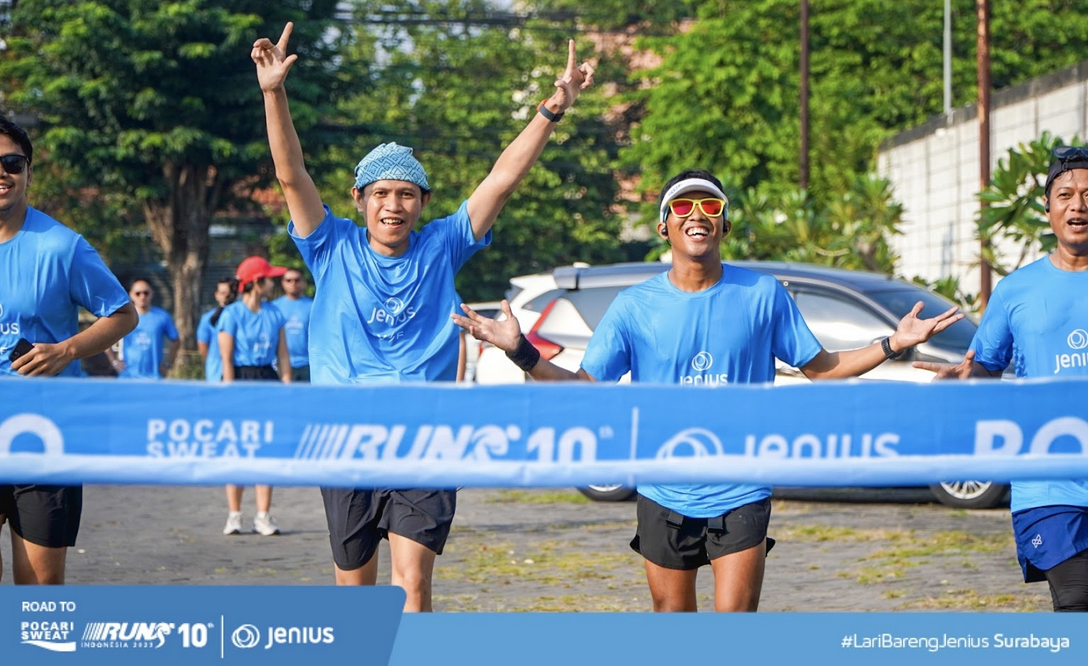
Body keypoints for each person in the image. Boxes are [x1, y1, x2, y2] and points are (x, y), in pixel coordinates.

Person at [454, 168, 963, 612]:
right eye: (682, 205)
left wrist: (893, 342)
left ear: (723, 223)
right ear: (664, 226)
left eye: (709, 205)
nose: (696, 213)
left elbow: (823, 368)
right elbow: (586, 390)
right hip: (662, 486)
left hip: (741, 483)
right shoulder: (634, 306)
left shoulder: (761, 295)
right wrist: (520, 350)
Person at [252, 22, 593, 611]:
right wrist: (274, 92)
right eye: (380, 193)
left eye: (406, 194)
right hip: (345, 438)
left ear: (423, 204)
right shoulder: (330, 246)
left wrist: (550, 112)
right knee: (353, 597)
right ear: (359, 201)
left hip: (426, 436)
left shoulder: (443, 244)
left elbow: (502, 180)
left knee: (412, 586)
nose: (393, 204)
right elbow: (291, 175)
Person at [916, 146, 1088, 612]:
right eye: (1066, 194)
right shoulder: (1016, 290)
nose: (1079, 205)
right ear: (1048, 208)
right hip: (1046, 478)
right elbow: (986, 367)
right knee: (1076, 598)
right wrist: (966, 377)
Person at [0, 117, 138, 584]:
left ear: (28, 171)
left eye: (11, 162)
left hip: (44, 432)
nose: (2, 172)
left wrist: (66, 350)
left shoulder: (62, 246)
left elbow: (123, 314)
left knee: (38, 590)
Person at [218, 256, 292, 536]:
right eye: (269, 278)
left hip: (267, 379)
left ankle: (263, 515)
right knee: (237, 447)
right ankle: (234, 515)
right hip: (240, 378)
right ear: (256, 283)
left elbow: (282, 354)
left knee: (266, 448)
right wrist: (230, 392)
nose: (273, 282)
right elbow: (226, 359)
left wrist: (286, 385)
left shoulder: (275, 313)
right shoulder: (231, 315)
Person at [107, 278, 179, 379]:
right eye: (138, 293)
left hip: (154, 377)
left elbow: (175, 340)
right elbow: (105, 338)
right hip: (128, 377)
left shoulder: (162, 316)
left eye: (146, 293)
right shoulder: (123, 317)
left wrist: (168, 364)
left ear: (152, 293)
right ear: (130, 295)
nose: (142, 296)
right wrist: (114, 361)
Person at [271, 268, 313, 382]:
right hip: (281, 364)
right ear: (283, 283)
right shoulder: (274, 307)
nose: (293, 283)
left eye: (297, 280)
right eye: (288, 280)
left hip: (307, 364)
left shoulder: (313, 306)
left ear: (303, 282)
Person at [196, 277, 237, 382]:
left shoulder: (239, 315)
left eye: (229, 293)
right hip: (216, 372)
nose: (226, 297)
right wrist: (213, 361)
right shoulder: (208, 318)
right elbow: (202, 345)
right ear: (216, 295)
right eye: (222, 293)